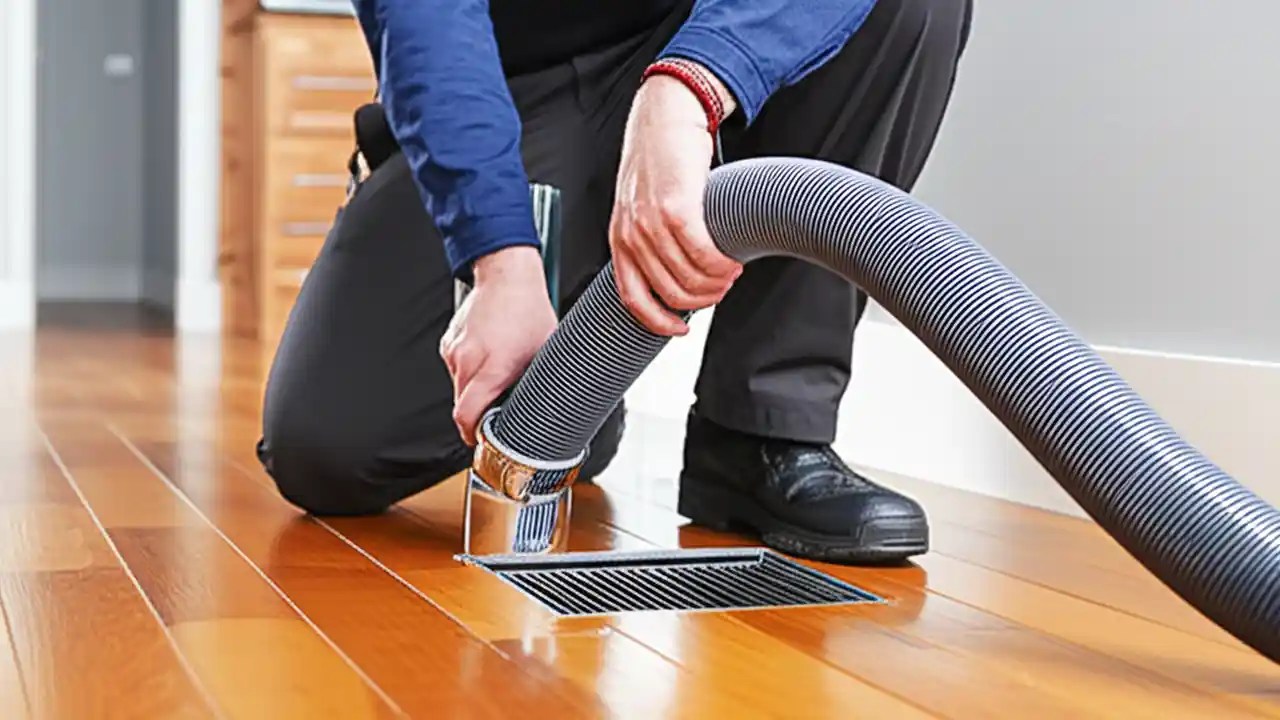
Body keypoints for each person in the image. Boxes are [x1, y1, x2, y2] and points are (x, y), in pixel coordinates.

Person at [256, 0, 973, 564]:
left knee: (905, 5)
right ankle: (577, 381)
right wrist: (498, 259)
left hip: (710, 38)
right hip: (515, 81)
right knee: (328, 447)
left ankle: (761, 432)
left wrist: (694, 82)